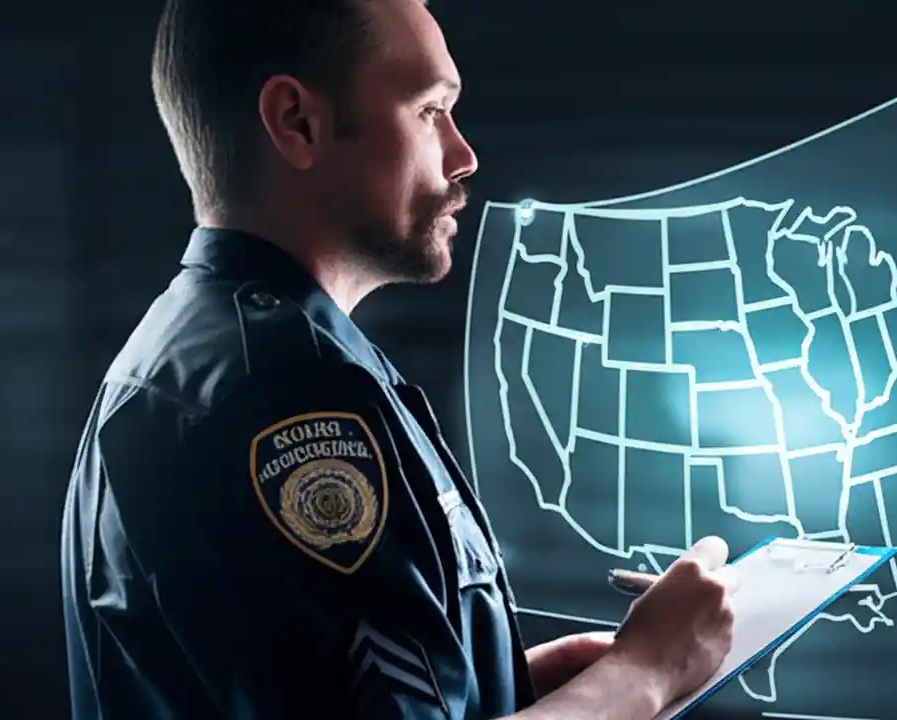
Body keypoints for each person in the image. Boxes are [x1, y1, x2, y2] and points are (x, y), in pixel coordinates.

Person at [59, 1, 737, 718]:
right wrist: (644, 674)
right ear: (297, 122)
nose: (463, 154)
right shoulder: (290, 396)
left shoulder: (198, 357)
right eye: (429, 110)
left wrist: (499, 683)